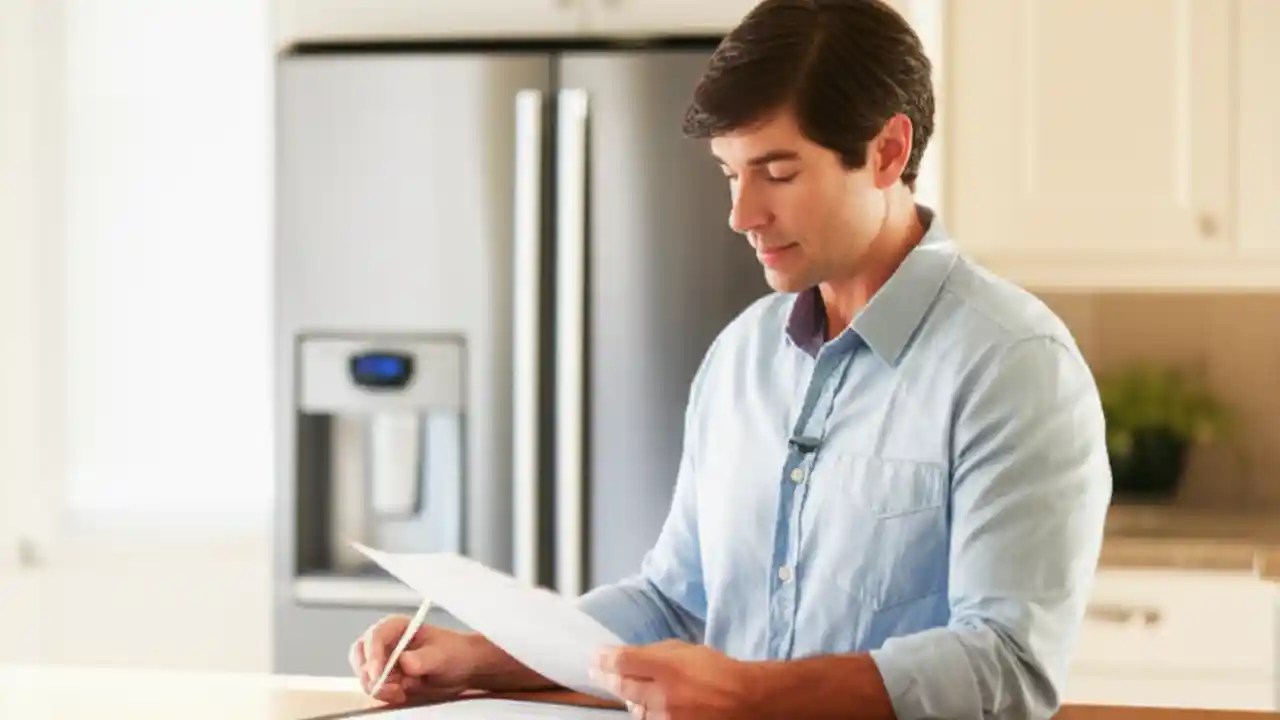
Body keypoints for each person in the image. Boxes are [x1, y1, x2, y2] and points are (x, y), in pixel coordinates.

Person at [348, 0, 1112, 717]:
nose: (742, 215)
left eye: (778, 174)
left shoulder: (1013, 366)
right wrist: (480, 657)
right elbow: (675, 603)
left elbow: (1007, 664)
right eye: (730, 174)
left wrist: (754, 695)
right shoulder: (743, 355)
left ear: (887, 151)